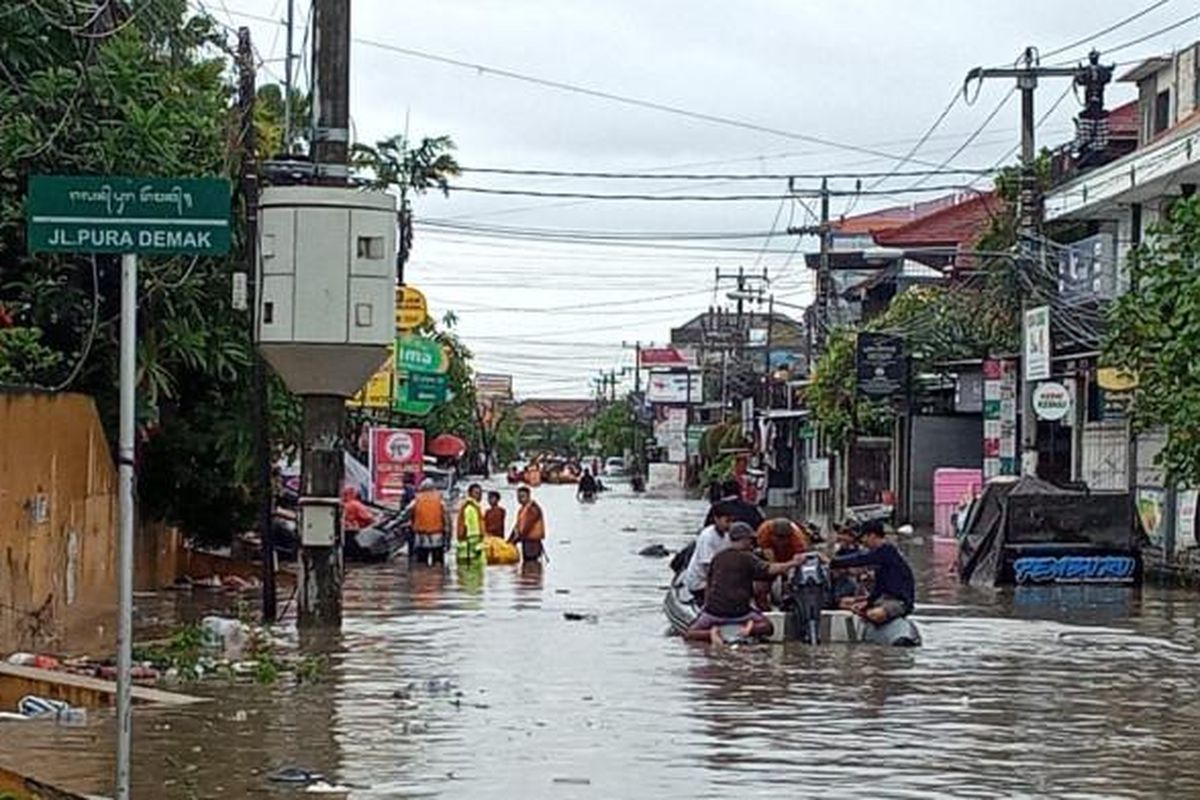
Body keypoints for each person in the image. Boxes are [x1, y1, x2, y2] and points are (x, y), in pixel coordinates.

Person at [684, 522, 802, 644]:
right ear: (744, 539)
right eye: (750, 540)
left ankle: (711, 633)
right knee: (767, 626)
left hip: (714, 611)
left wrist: (707, 608)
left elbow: (709, 585)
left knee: (690, 633)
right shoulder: (748, 558)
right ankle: (748, 630)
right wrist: (793, 563)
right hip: (740, 612)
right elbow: (770, 569)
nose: (752, 543)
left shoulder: (717, 557)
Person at [828, 520, 915, 624]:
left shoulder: (886, 552)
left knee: (874, 614)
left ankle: (866, 618)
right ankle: (864, 618)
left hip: (899, 601)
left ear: (872, 535)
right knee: (843, 602)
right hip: (883, 598)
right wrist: (867, 602)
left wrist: (833, 562)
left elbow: (860, 559)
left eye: (864, 537)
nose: (863, 542)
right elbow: (879, 587)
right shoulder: (880, 556)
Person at [680, 502, 736, 604]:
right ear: (716, 519)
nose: (730, 525)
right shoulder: (707, 537)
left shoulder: (727, 536)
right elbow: (708, 567)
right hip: (700, 583)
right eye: (727, 521)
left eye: (732, 521)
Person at [753, 517, 810, 609]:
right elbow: (768, 554)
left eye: (785, 539)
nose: (782, 542)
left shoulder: (798, 538)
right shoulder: (764, 530)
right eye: (778, 538)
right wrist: (777, 569)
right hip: (770, 558)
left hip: (790, 559)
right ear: (772, 534)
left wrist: (788, 572)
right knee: (761, 586)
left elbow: (798, 559)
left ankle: (788, 604)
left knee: (790, 585)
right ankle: (763, 606)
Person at [410, 478, 450, 566]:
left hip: (421, 537)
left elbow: (406, 515)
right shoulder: (441, 501)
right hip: (437, 537)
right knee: (438, 563)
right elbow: (447, 520)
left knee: (421, 564)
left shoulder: (416, 500)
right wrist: (448, 539)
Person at [829, 523, 865, 608]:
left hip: (851, 589)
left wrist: (844, 570)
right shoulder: (839, 551)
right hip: (837, 588)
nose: (840, 537)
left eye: (844, 534)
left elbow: (859, 570)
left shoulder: (859, 552)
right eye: (840, 534)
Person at [509, 485, 546, 562]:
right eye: (518, 497)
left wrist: (516, 540)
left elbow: (527, 527)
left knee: (531, 562)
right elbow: (517, 526)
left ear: (529, 496)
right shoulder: (522, 509)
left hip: (533, 543)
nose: (520, 499)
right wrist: (510, 540)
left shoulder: (533, 509)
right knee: (527, 563)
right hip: (526, 542)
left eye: (522, 497)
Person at [455, 483, 486, 564]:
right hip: (469, 543)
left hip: (474, 542)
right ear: (469, 493)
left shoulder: (475, 507)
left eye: (480, 493)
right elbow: (464, 526)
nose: (479, 496)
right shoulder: (469, 508)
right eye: (476, 493)